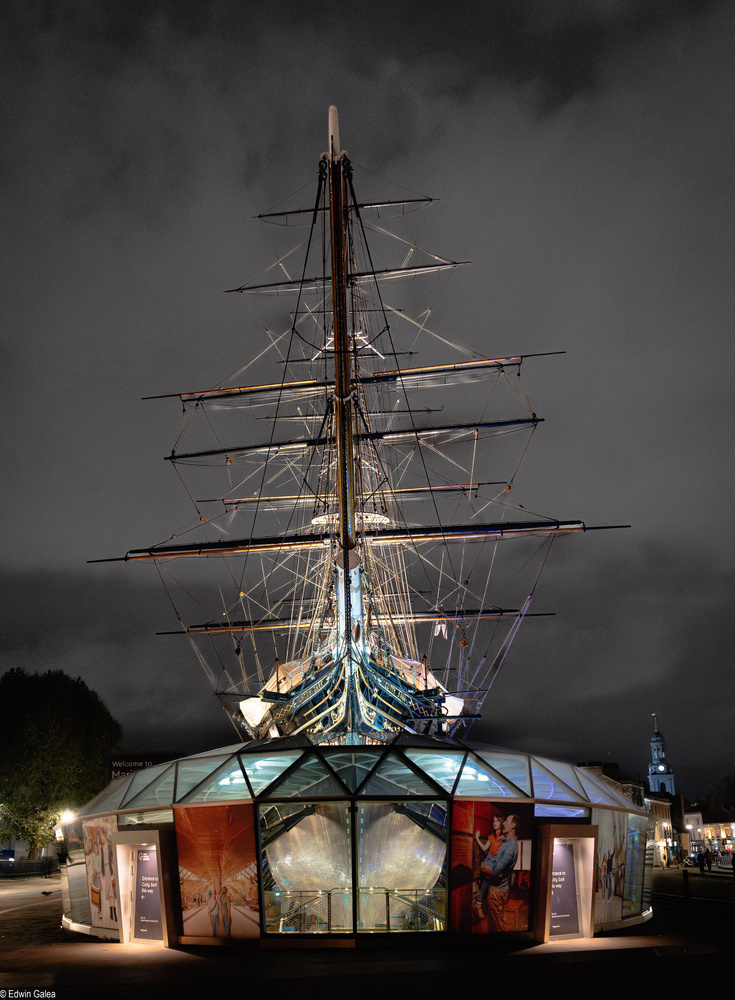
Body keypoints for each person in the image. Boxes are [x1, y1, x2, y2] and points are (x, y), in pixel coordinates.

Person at [478, 814, 520, 931]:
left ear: (513, 825)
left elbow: (494, 873)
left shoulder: (510, 848)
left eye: (506, 821)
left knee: (499, 923)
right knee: (496, 921)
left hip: (496, 890)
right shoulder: (507, 840)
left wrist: (481, 869)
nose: (503, 823)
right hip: (499, 887)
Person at [474, 813, 504, 919]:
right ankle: (479, 904)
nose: (495, 823)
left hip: (499, 862)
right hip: (490, 860)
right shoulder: (491, 837)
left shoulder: (504, 837)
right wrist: (477, 838)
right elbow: (484, 848)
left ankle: (480, 903)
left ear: (501, 823)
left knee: (493, 884)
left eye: (497, 821)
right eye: (494, 821)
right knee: (487, 883)